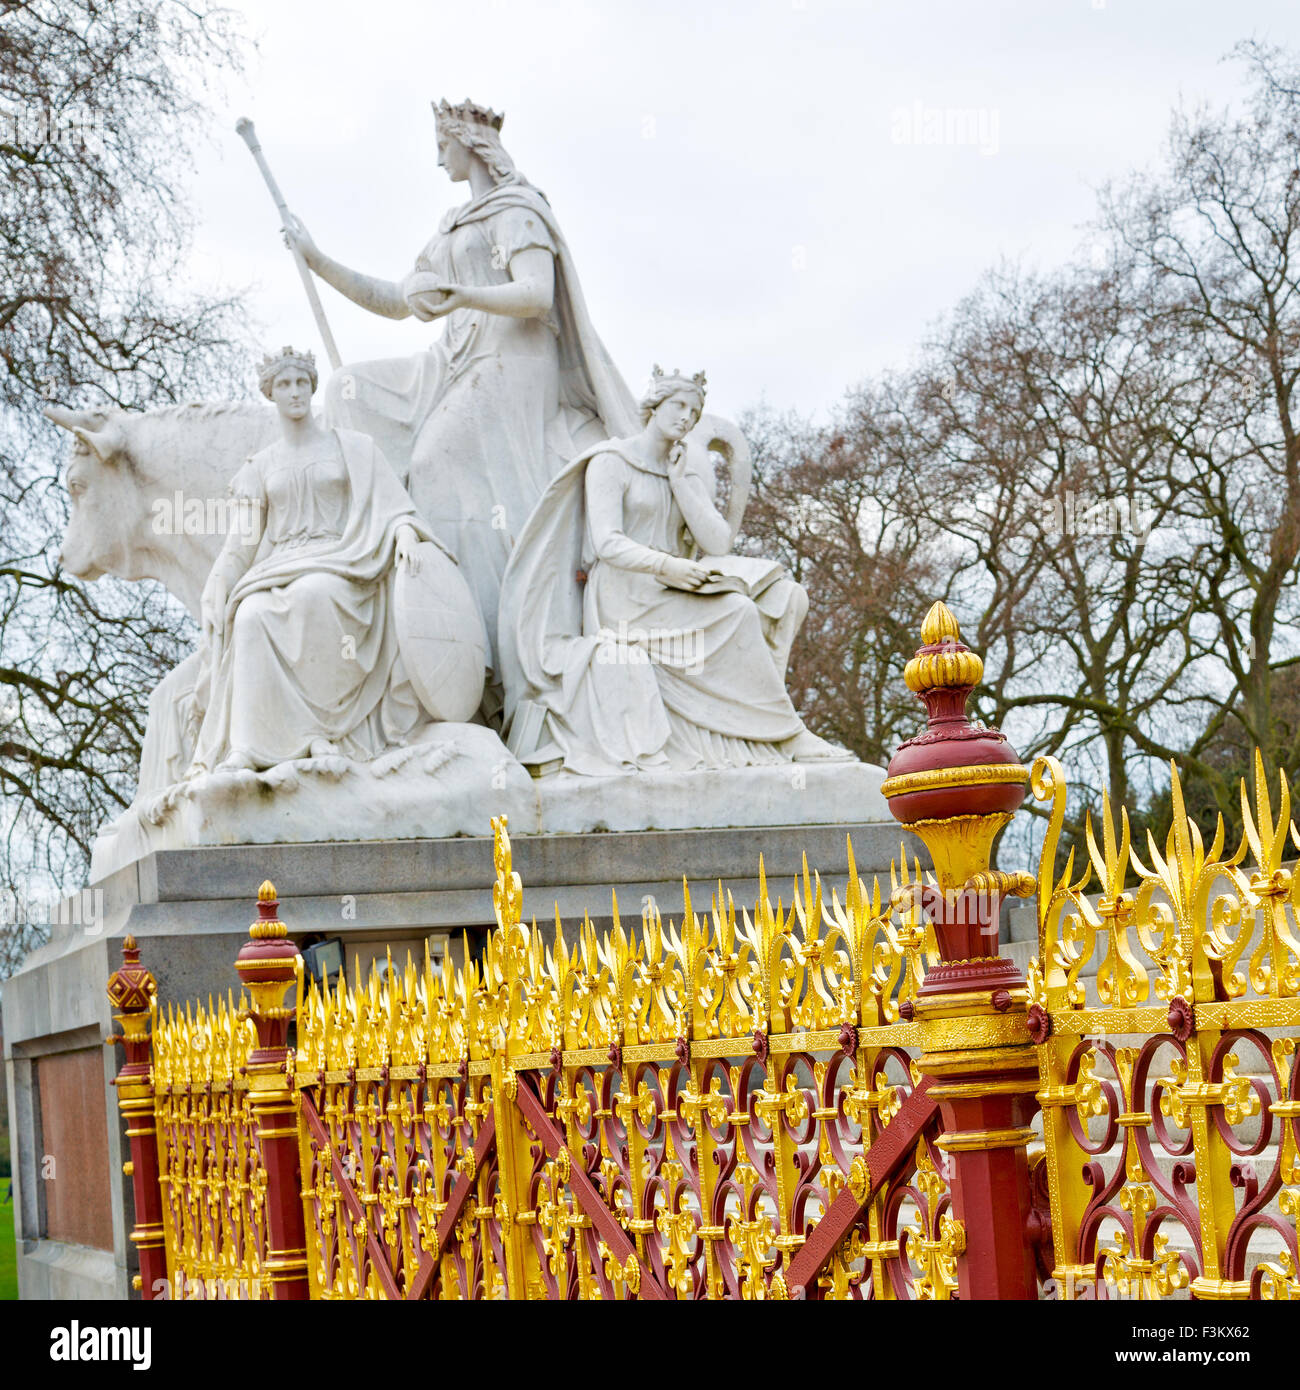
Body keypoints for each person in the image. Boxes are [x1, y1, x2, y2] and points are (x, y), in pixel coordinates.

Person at [281, 99, 636, 713]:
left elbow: (535, 295)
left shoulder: (519, 210)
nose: (435, 155)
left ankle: (487, 653)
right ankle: (364, 578)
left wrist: (461, 295)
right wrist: (316, 260)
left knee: (438, 464)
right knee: (347, 394)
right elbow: (397, 299)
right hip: (450, 359)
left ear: (467, 143)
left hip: (512, 363)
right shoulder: (451, 224)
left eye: (441, 144)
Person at [498, 367, 850, 774]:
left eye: (695, 412)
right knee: (737, 612)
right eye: (678, 405)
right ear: (656, 405)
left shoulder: (679, 466)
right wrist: (669, 565)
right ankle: (784, 734)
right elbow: (607, 541)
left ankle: (772, 732)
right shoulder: (611, 462)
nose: (686, 417)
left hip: (672, 588)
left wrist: (682, 483)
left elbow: (718, 543)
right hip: (624, 596)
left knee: (762, 601)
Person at [188, 347, 438, 773]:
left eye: (302, 382)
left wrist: (404, 532)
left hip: (342, 559)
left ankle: (322, 732)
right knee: (249, 615)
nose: (295, 392)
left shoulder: (353, 448)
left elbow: (392, 505)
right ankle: (246, 747)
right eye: (284, 384)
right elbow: (241, 546)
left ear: (312, 387)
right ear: (271, 393)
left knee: (314, 593)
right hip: (278, 567)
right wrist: (218, 582)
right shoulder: (259, 467)